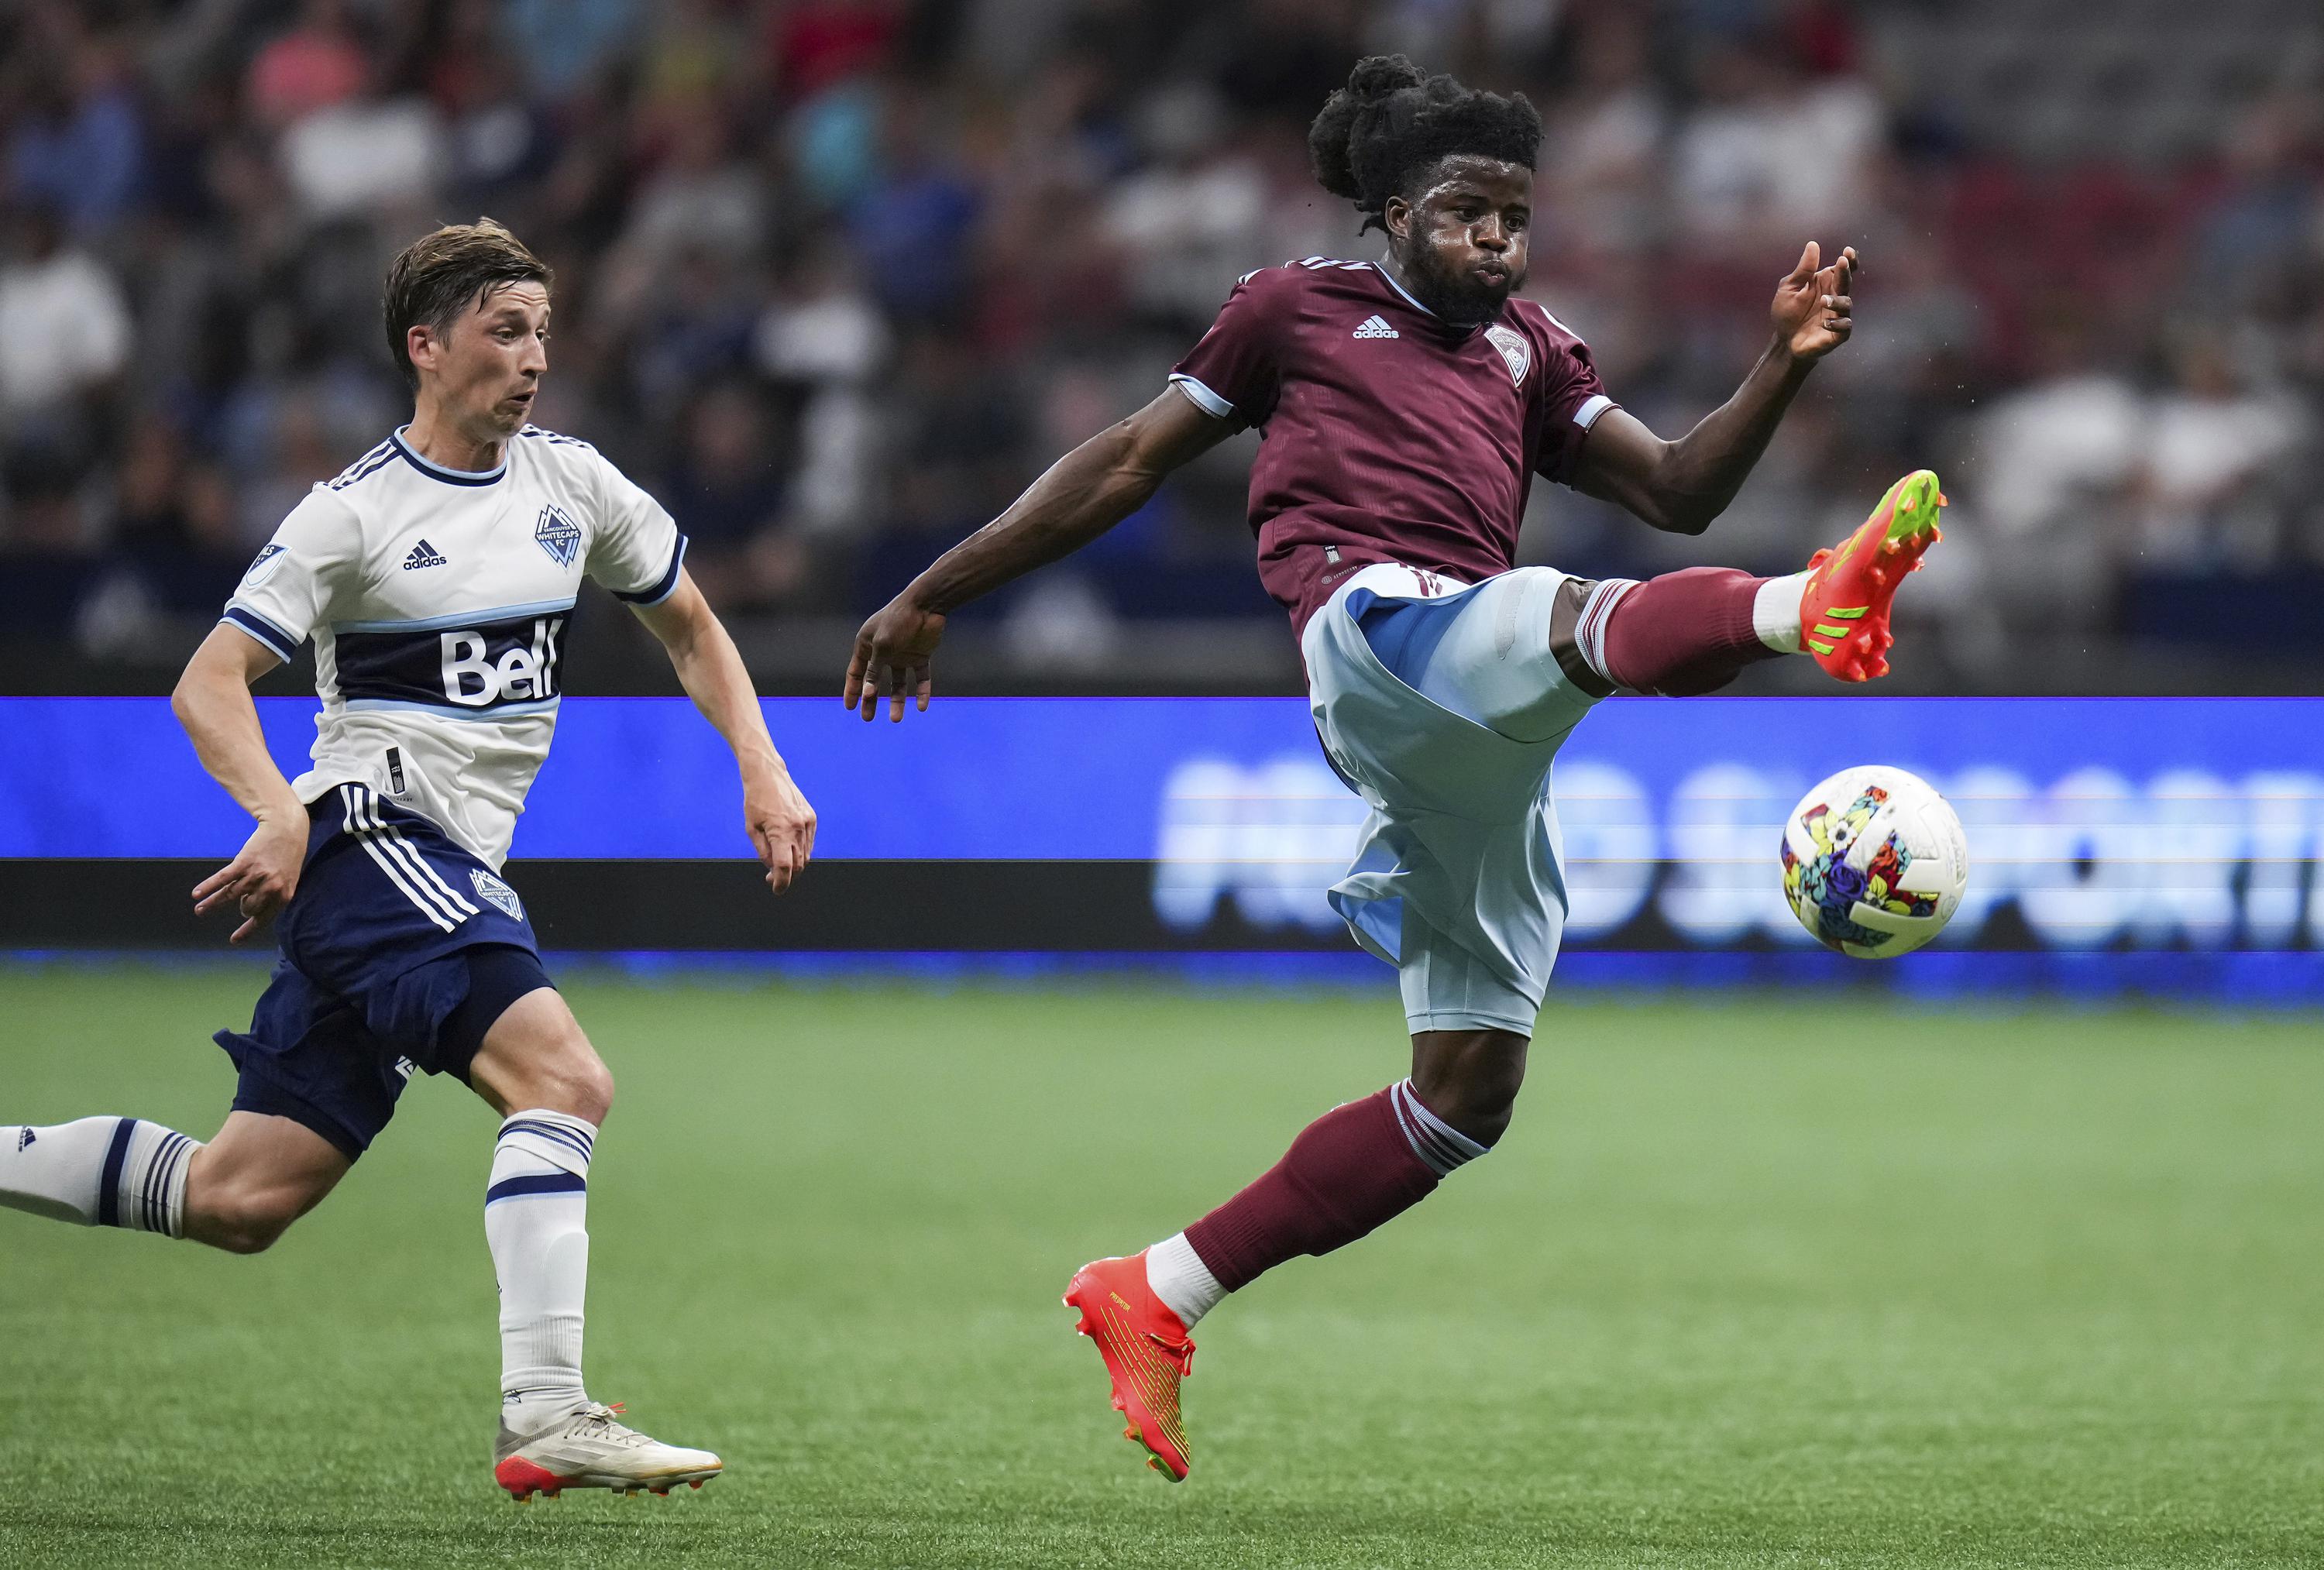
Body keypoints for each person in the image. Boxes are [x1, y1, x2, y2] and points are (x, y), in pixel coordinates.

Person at [844, 57, 1944, 1482]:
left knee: (1467, 1093)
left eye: (1515, 216)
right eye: (1467, 212)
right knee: (1560, 612)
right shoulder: (1290, 310)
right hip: (1374, 635)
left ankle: (1159, 1290)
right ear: (1393, 209)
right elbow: (1125, 460)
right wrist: (939, 586)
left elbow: (1676, 488)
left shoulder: (1533, 350)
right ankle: (1813, 609)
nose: (1497, 239)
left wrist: (1781, 365)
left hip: (1467, 729)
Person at [0, 219, 818, 1502]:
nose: (535, 356)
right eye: (505, 330)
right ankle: (549, 1412)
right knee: (565, 1078)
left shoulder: (575, 487)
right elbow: (209, 683)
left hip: (420, 869)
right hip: (372, 837)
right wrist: (274, 810)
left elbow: (694, 625)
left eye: (544, 329)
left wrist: (761, 762)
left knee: (239, 1197)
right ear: (424, 348)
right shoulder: (353, 516)